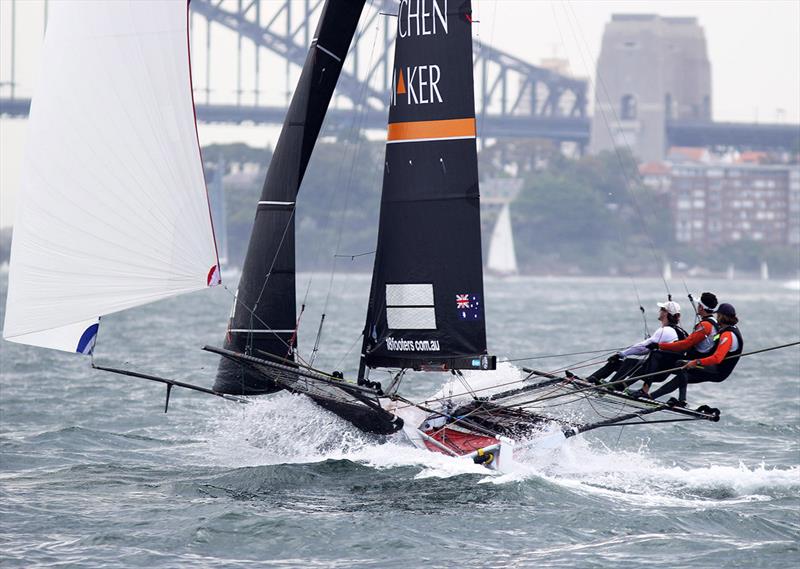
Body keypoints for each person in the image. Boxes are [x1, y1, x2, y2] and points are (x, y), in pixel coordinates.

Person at [649, 303, 743, 405]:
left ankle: (682, 401)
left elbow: (717, 358)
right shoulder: (728, 329)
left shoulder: (728, 335)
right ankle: (651, 396)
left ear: (722, 316)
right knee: (682, 377)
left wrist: (696, 362)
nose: (717, 317)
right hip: (715, 369)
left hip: (717, 371)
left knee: (681, 364)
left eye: (718, 315)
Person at [587, 301, 687, 389]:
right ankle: (591, 380)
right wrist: (622, 354)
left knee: (628, 361)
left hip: (654, 371)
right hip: (661, 372)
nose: (659, 311)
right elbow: (645, 349)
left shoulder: (666, 330)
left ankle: (611, 385)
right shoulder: (680, 332)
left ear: (666, 313)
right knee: (616, 364)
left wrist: (621, 354)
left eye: (661, 309)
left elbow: (643, 347)